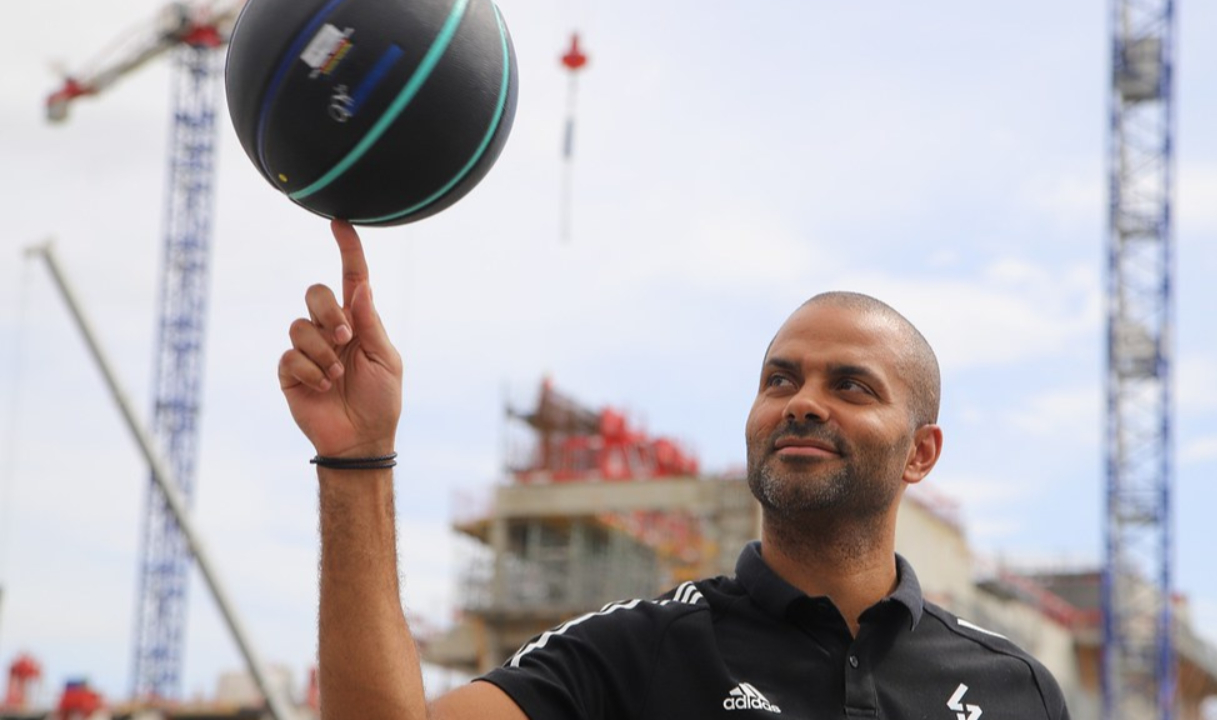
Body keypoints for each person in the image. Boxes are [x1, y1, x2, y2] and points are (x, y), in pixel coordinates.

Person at [280, 220, 1071, 720]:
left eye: (851, 386)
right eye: (780, 380)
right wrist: (357, 461)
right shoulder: (632, 655)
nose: (801, 403)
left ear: (920, 453)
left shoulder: (1016, 692)